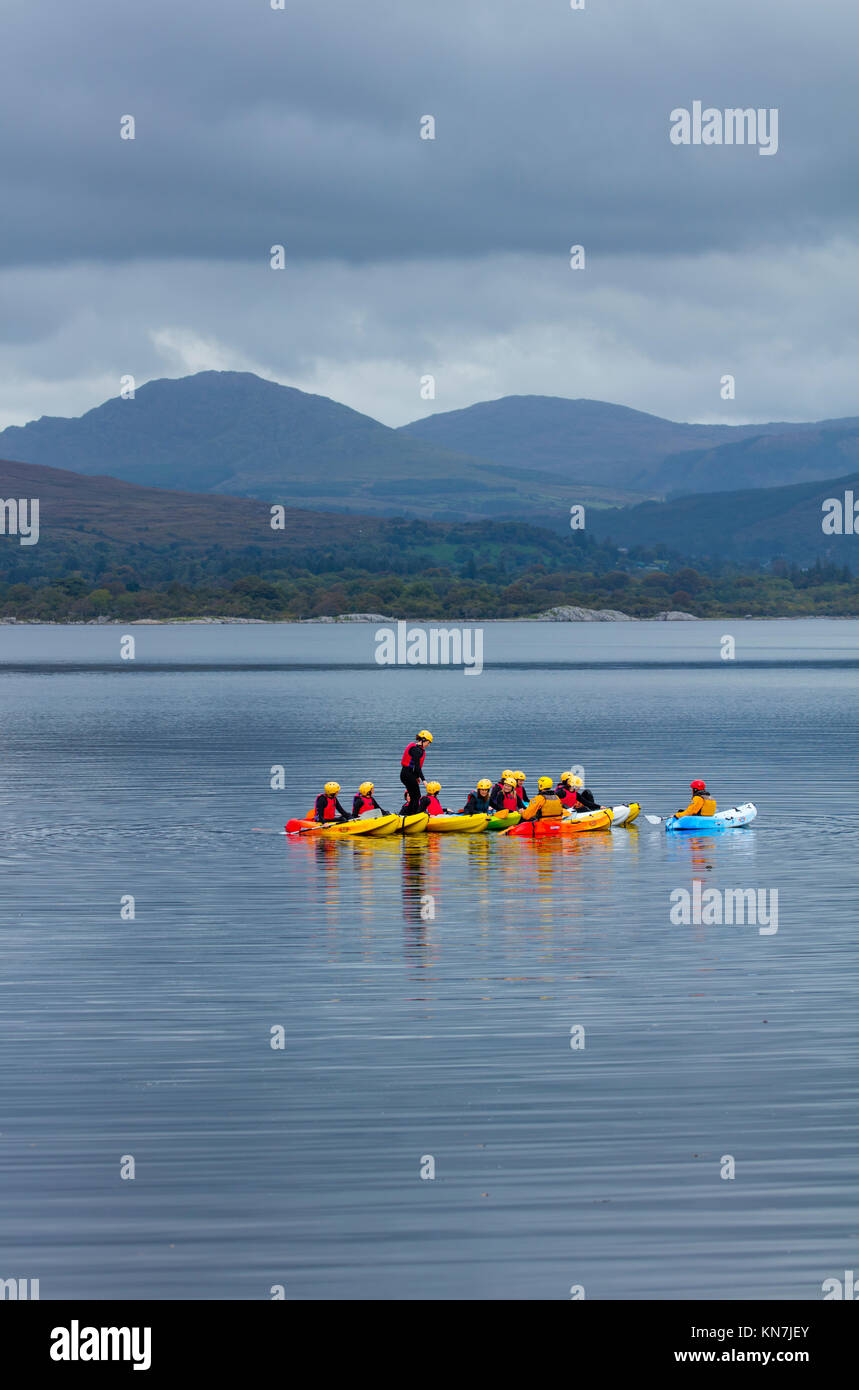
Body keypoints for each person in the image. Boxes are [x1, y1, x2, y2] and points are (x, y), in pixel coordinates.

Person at [400, 730, 433, 815]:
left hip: (407, 774)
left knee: (414, 796)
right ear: (423, 740)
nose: (428, 745)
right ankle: (411, 814)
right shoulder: (416, 750)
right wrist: (423, 780)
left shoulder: (417, 749)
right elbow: (417, 767)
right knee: (416, 796)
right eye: (428, 742)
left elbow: (416, 768)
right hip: (407, 774)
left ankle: (409, 814)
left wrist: (416, 777)